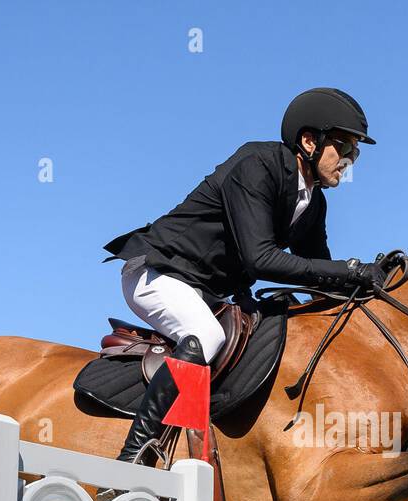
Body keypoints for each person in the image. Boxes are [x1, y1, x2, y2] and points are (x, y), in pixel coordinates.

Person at [101, 88, 388, 469]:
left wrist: (369, 287)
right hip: (159, 272)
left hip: (204, 290)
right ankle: (134, 457)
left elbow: (319, 273)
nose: (349, 160)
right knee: (206, 336)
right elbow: (261, 260)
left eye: (356, 152)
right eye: (344, 147)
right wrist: (351, 269)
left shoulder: (312, 201)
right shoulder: (257, 165)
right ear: (308, 140)